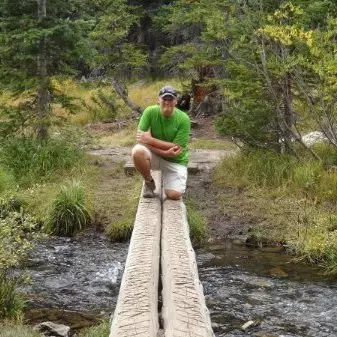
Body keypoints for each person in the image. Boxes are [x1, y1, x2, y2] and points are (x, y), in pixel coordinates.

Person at [131, 85, 191, 200]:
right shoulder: (149, 111)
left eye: (171, 99)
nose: (167, 102)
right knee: (137, 151)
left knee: (174, 195)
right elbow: (140, 139)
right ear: (158, 100)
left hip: (176, 160)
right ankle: (149, 182)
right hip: (157, 156)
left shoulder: (184, 119)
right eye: (164, 99)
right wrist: (164, 152)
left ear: (176, 101)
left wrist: (149, 140)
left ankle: (168, 178)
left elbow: (176, 147)